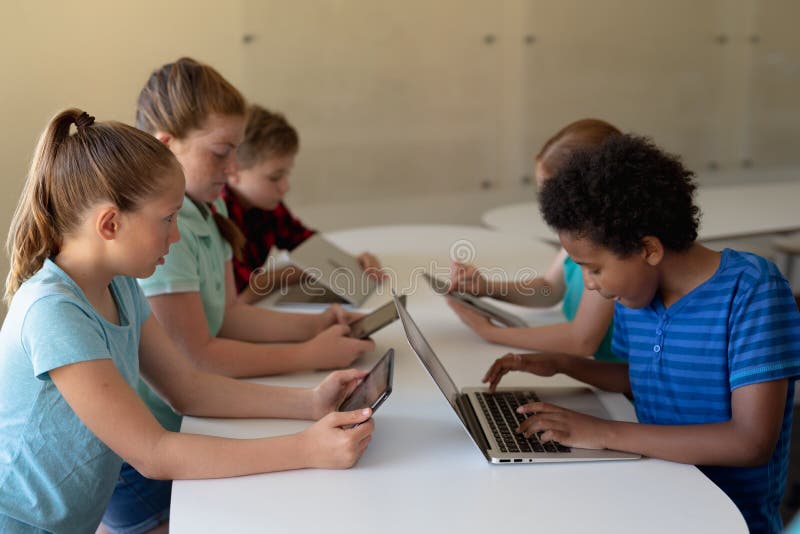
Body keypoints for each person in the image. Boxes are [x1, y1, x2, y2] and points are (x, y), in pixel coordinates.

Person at [0, 109, 375, 534]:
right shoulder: (53, 312)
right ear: (110, 224)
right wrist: (306, 449)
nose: (176, 235)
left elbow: (188, 388)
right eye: (167, 218)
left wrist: (310, 402)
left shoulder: (119, 284)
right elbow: (153, 452)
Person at [103, 57, 374, 533]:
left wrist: (317, 329)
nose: (232, 169)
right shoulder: (162, 237)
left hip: (192, 426)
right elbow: (198, 360)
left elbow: (228, 317)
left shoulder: (208, 209)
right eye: (221, 152)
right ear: (166, 145)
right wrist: (307, 356)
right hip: (154, 462)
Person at [482, 134, 800, 534]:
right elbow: (643, 376)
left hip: (725, 519)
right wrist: (564, 364)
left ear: (649, 249)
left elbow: (750, 442)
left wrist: (602, 432)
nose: (590, 284)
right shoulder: (635, 295)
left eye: (595, 268)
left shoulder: (751, 289)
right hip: (648, 494)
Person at [447, 119, 622, 361]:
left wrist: (490, 332)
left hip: (605, 377)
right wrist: (488, 288)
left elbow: (581, 341)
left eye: (548, 193)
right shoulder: (579, 231)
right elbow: (549, 288)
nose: (544, 204)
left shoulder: (612, 247)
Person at [223, 104, 384, 304]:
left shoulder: (267, 205)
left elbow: (304, 243)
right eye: (275, 177)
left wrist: (353, 262)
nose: (285, 187)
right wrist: (304, 271)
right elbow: (240, 294)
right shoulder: (219, 214)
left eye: (286, 174)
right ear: (233, 171)